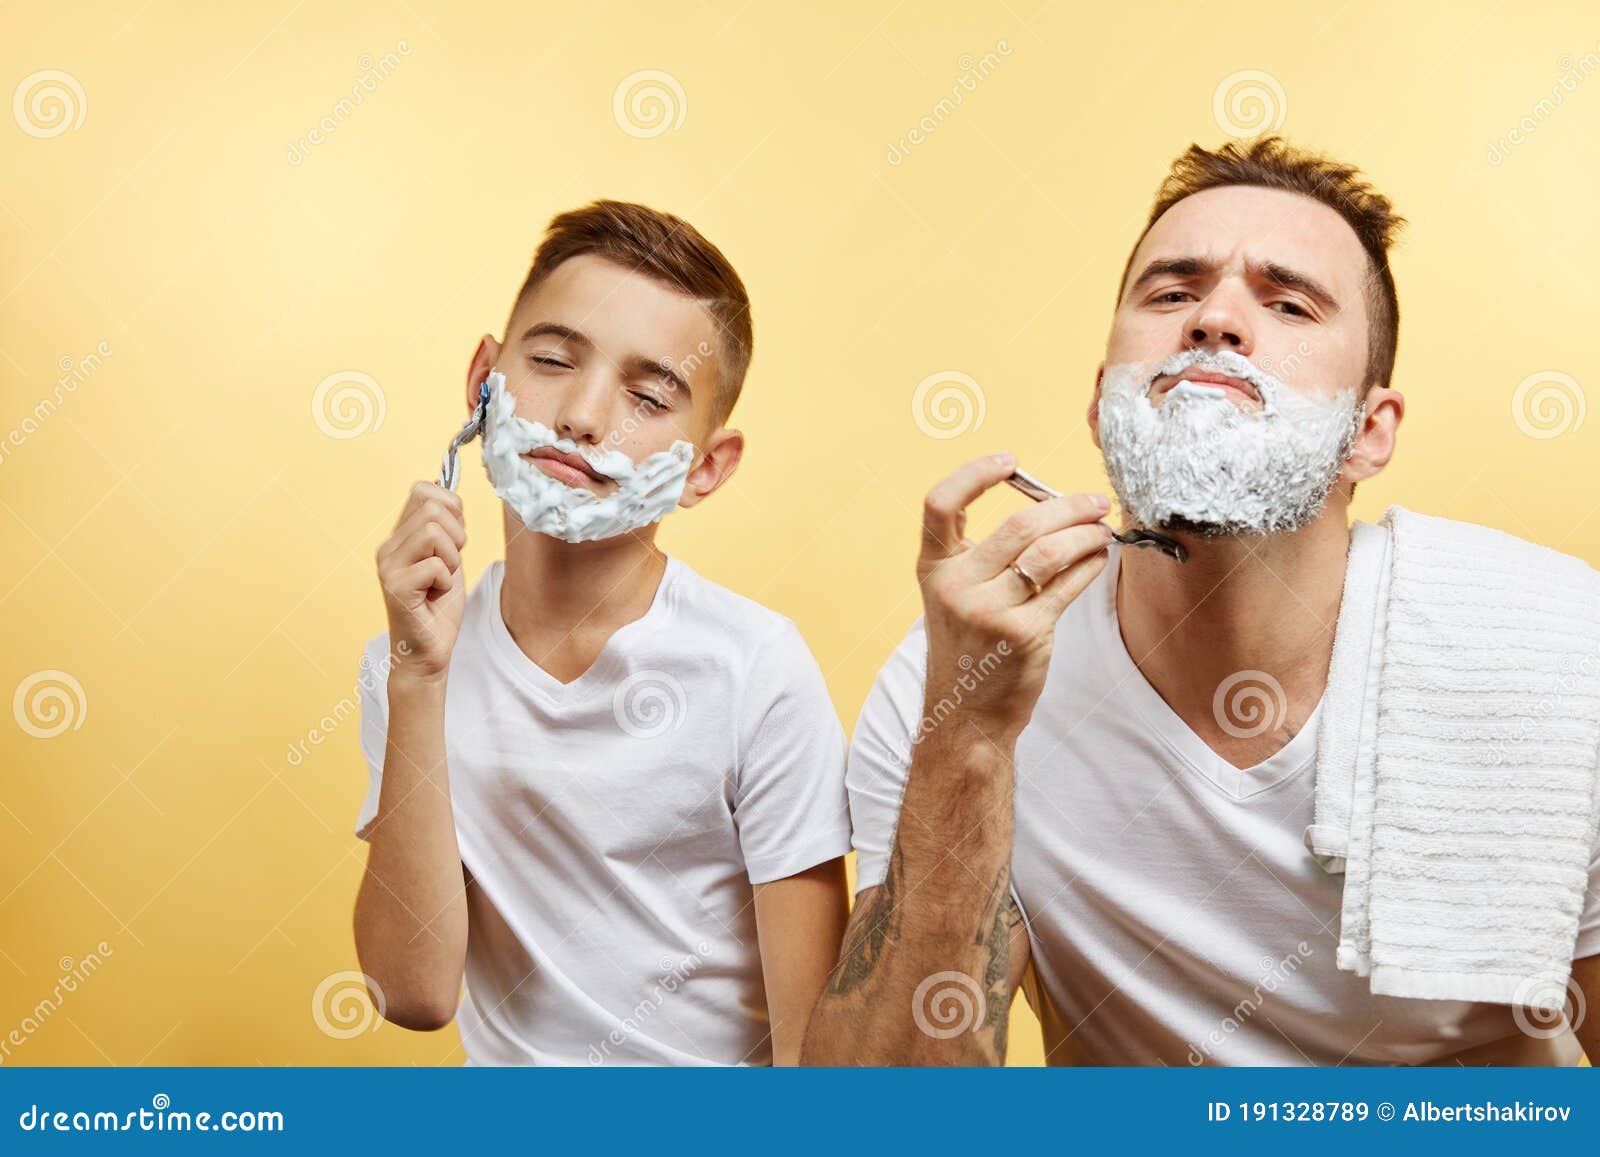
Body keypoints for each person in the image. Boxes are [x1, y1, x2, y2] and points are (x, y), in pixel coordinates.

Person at [802, 137, 1600, 1066]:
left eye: (1288, 301)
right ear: (1103, 405)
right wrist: (969, 743)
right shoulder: (965, 673)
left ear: (1368, 435)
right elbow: (884, 1118)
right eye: (1174, 293)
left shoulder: (1555, 654)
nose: (1215, 320)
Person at [352, 201, 851, 1065]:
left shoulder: (756, 671)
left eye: (649, 396)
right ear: (482, 382)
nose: (583, 416)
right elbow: (415, 993)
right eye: (551, 360)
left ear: (706, 468)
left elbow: (818, 1057)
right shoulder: (409, 660)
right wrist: (416, 678)